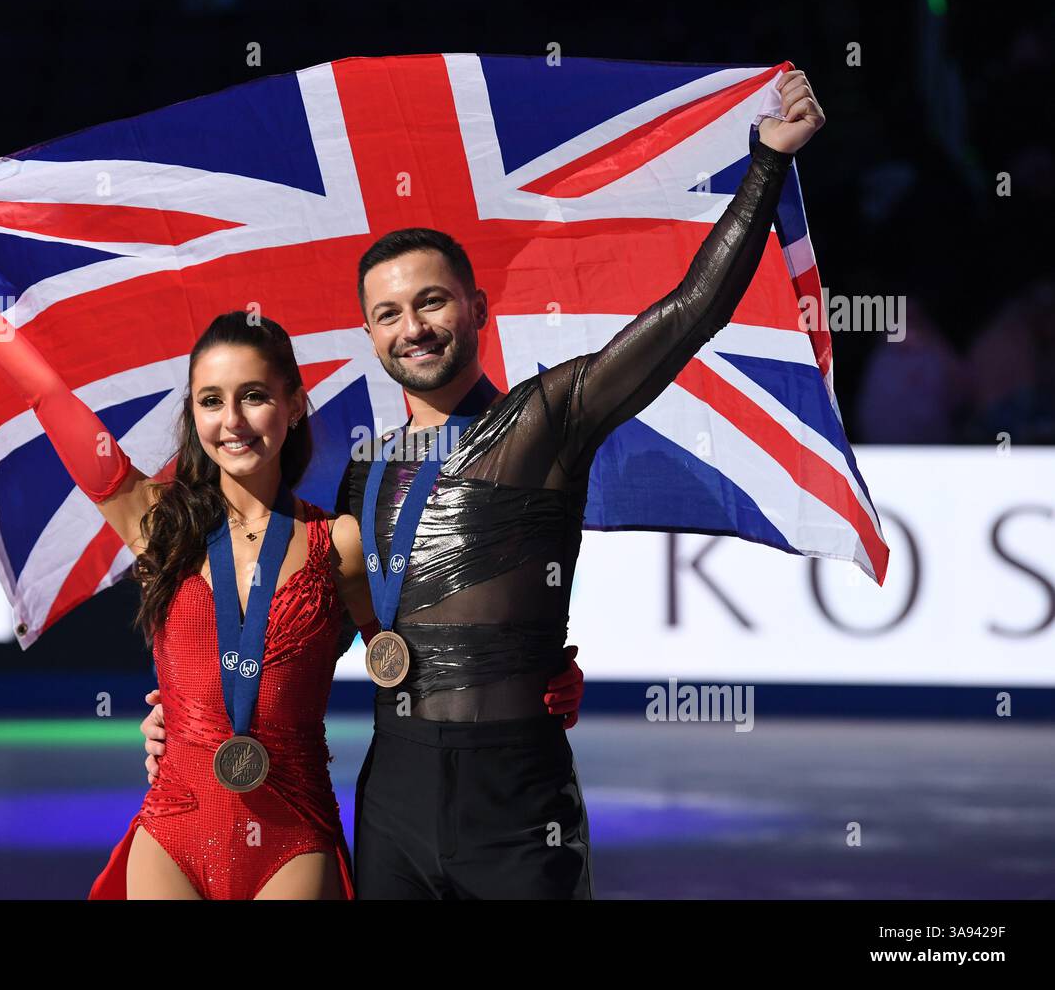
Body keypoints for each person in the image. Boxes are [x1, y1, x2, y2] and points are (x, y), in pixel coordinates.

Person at [142, 67, 824, 899]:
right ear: (368, 334)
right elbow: (311, 628)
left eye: (432, 303)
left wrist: (765, 166)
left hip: (518, 800)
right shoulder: (368, 470)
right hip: (392, 794)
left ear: (477, 308)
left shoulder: (548, 417)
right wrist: (193, 720)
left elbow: (689, 312)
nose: (413, 328)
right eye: (389, 314)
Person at [0, 180, 586, 898]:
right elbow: (46, 395)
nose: (233, 422)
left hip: (290, 835)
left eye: (253, 396)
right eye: (210, 402)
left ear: (292, 404)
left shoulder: (336, 542)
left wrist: (539, 673)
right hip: (174, 828)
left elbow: (426, 647)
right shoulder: (156, 526)